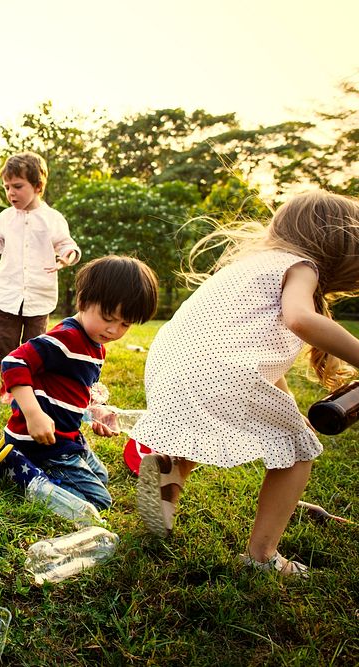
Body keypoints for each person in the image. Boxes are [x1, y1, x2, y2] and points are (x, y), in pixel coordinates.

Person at [131, 191, 359, 577]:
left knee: (194, 434)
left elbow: (259, 350)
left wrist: (287, 404)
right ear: (337, 246)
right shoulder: (302, 266)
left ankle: (165, 481)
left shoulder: (252, 265)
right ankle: (262, 556)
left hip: (170, 365)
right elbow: (300, 320)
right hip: (217, 371)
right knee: (297, 452)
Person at [0, 256, 158, 510]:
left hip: (67, 437)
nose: (114, 330)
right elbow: (13, 362)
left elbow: (76, 392)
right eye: (108, 317)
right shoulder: (65, 339)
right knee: (98, 501)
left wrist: (97, 414)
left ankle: (35, 472)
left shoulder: (96, 347)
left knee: (101, 477)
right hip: (40, 442)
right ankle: (20, 474)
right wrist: (33, 414)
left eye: (125, 324)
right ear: (83, 302)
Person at [0, 152, 80, 360]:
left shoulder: (52, 219)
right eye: (7, 187)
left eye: (18, 186)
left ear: (38, 187)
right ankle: (7, 391)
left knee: (34, 349)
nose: (11, 193)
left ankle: (28, 389)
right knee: (3, 345)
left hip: (39, 296)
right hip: (6, 294)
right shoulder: (5, 218)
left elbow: (68, 246)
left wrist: (66, 257)